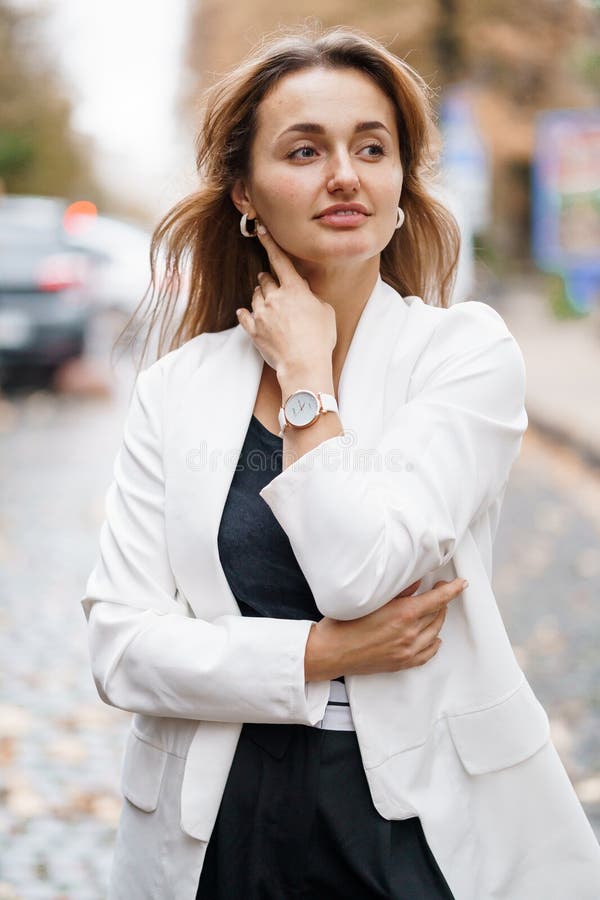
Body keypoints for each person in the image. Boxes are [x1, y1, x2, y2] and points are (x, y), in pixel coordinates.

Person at [81, 25, 600, 900]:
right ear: (245, 190)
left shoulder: (465, 355)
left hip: (417, 821)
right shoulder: (175, 390)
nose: (345, 175)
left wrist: (308, 379)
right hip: (218, 822)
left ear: (401, 183)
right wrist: (318, 654)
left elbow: (362, 571)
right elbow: (122, 646)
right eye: (305, 150)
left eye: (372, 147)